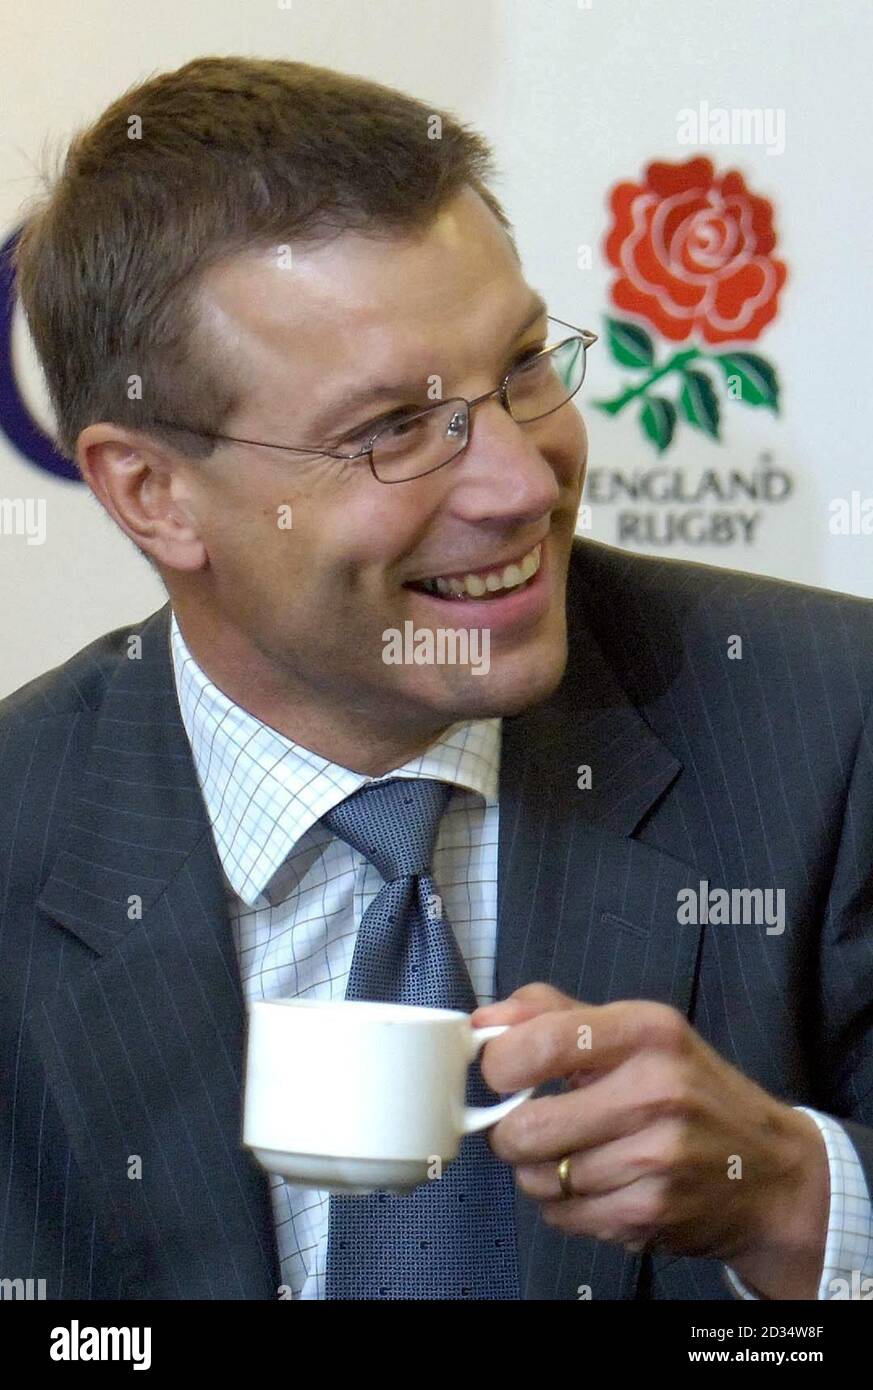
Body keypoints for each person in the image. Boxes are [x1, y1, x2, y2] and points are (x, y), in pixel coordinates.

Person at [1, 55, 871, 1301]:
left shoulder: (832, 732)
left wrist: (794, 1201)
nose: (523, 482)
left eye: (520, 366)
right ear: (155, 492)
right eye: (392, 430)